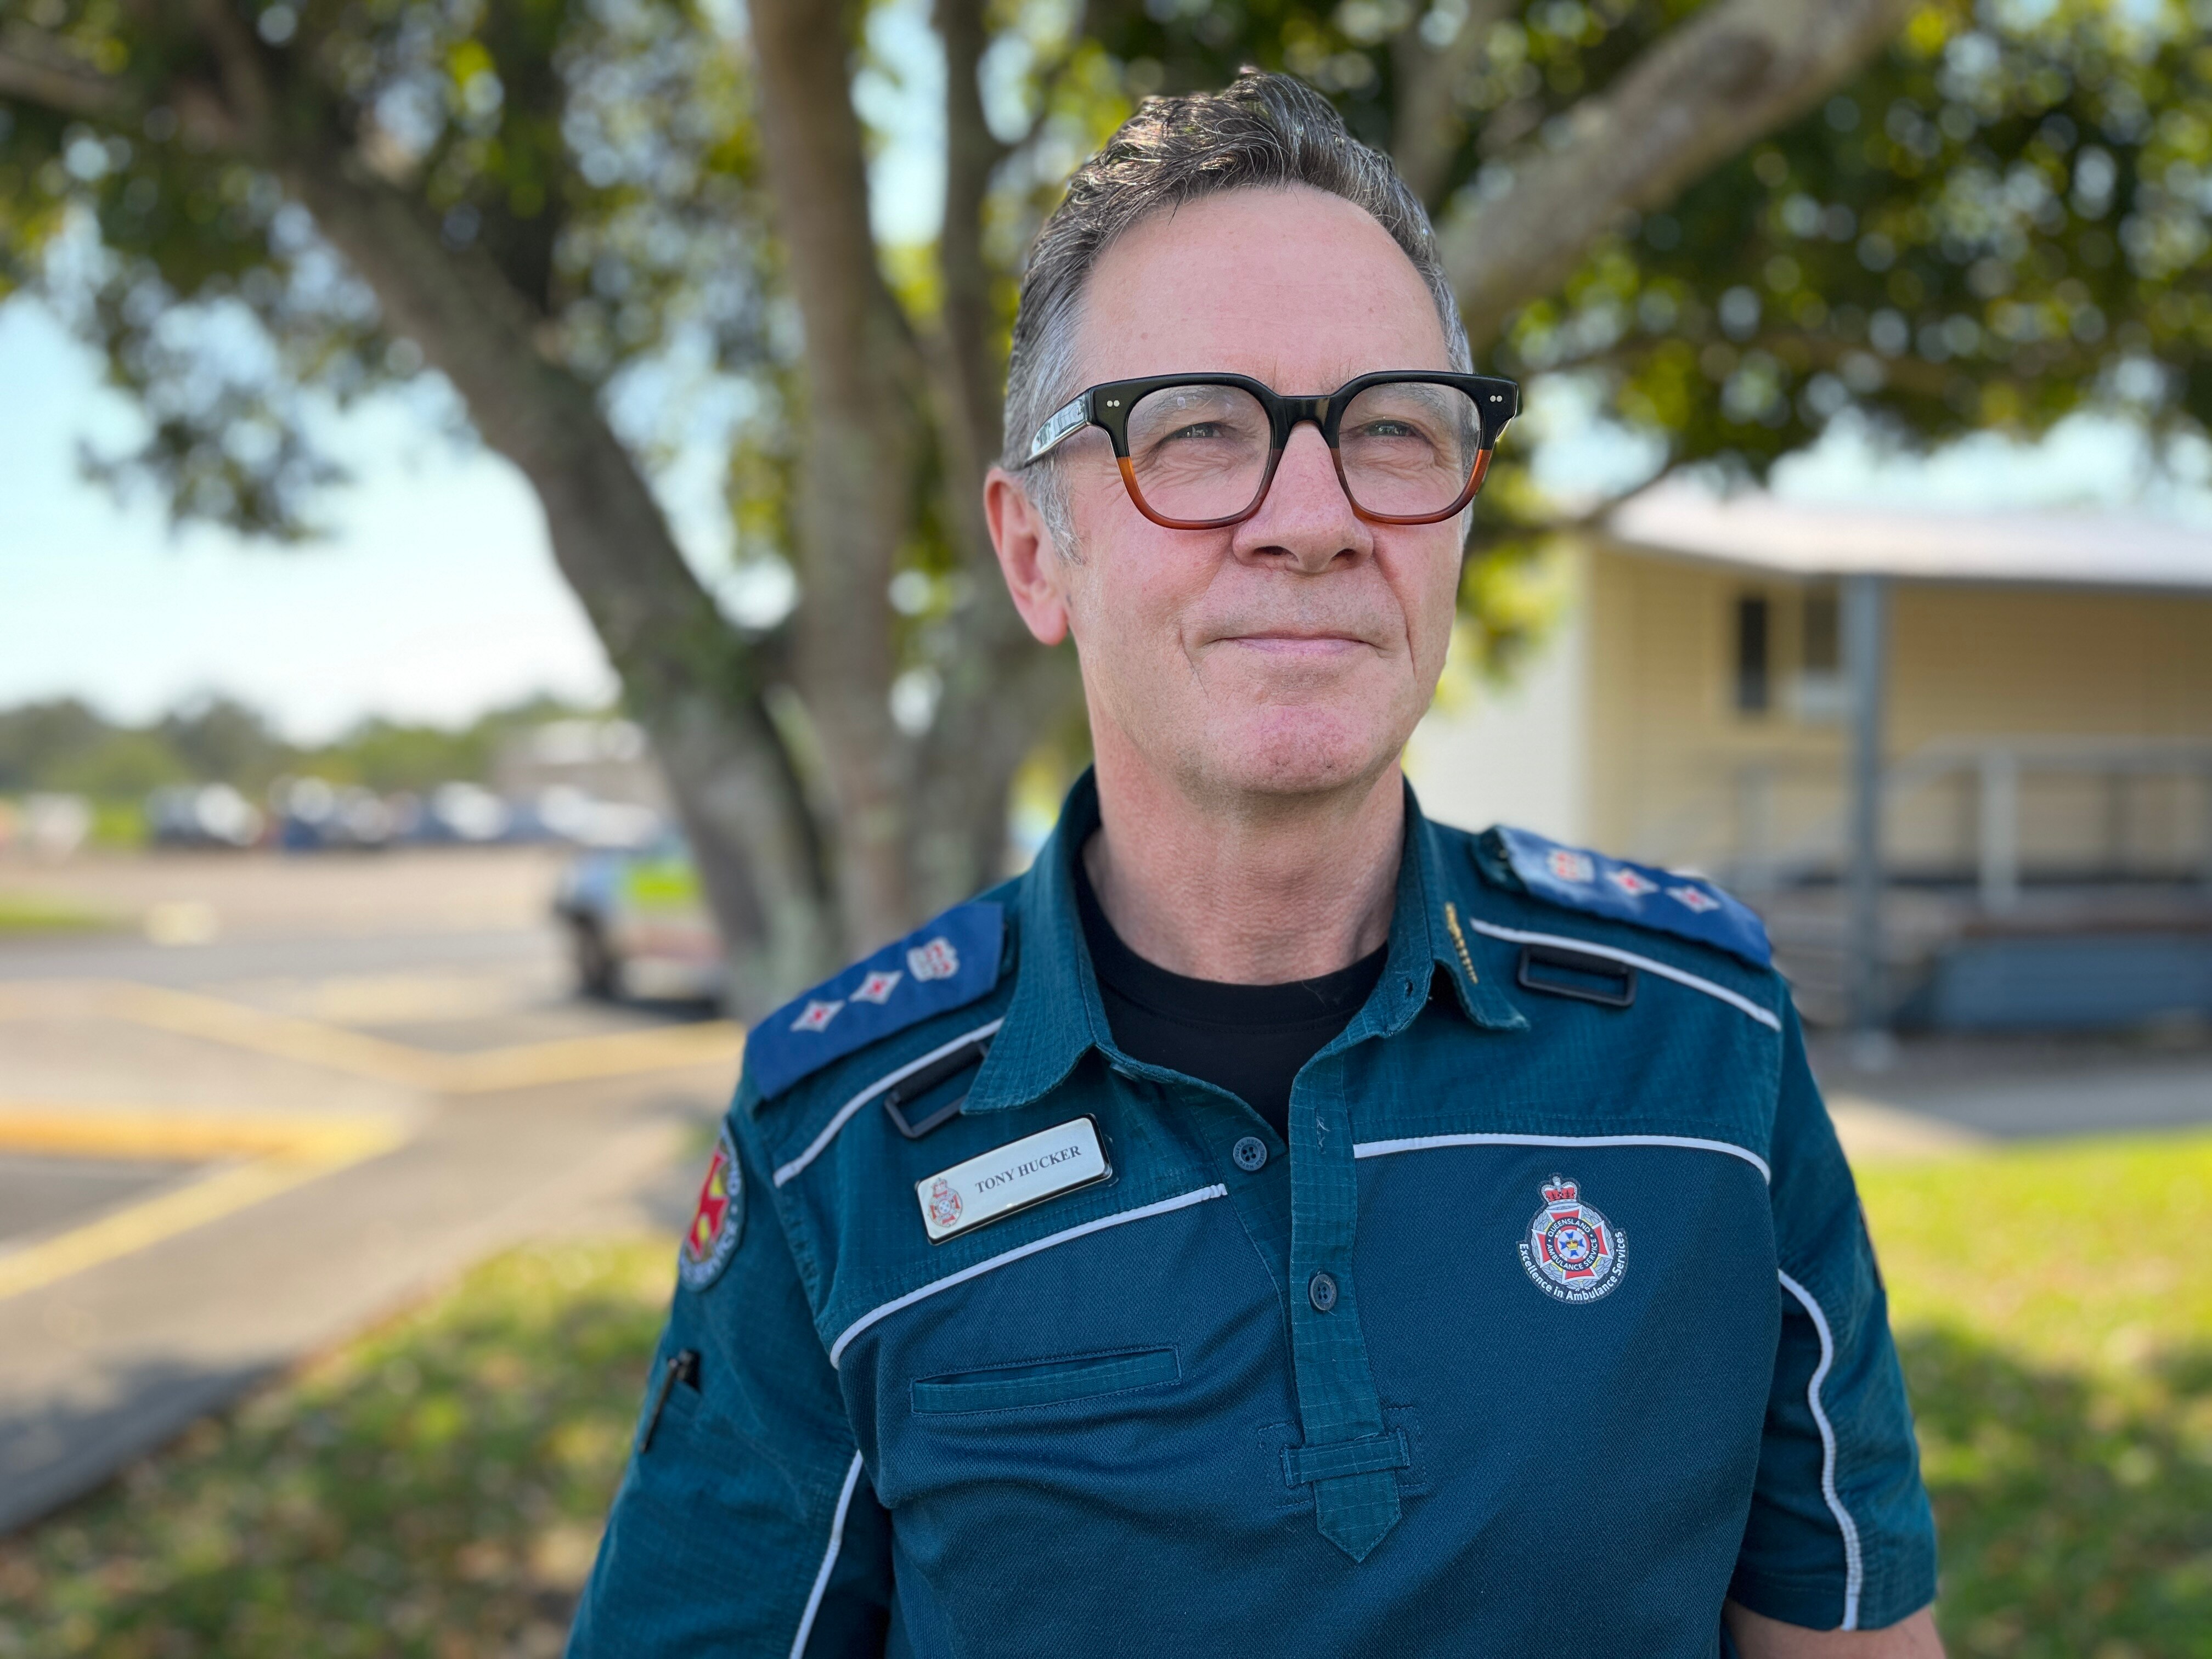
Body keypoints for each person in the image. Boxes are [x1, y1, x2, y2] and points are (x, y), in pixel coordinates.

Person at [567, 71, 1942, 1658]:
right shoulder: (839, 1153)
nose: (1315, 517)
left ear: (1459, 520)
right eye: (1201, 432)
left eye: (1391, 430)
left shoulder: (1710, 1048)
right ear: (1035, 551)